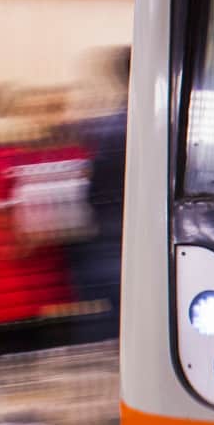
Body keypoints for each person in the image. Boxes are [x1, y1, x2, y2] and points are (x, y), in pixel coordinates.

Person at [70, 47, 130, 321]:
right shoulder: (131, 126)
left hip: (111, 241)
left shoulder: (106, 129)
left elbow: (92, 192)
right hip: (123, 245)